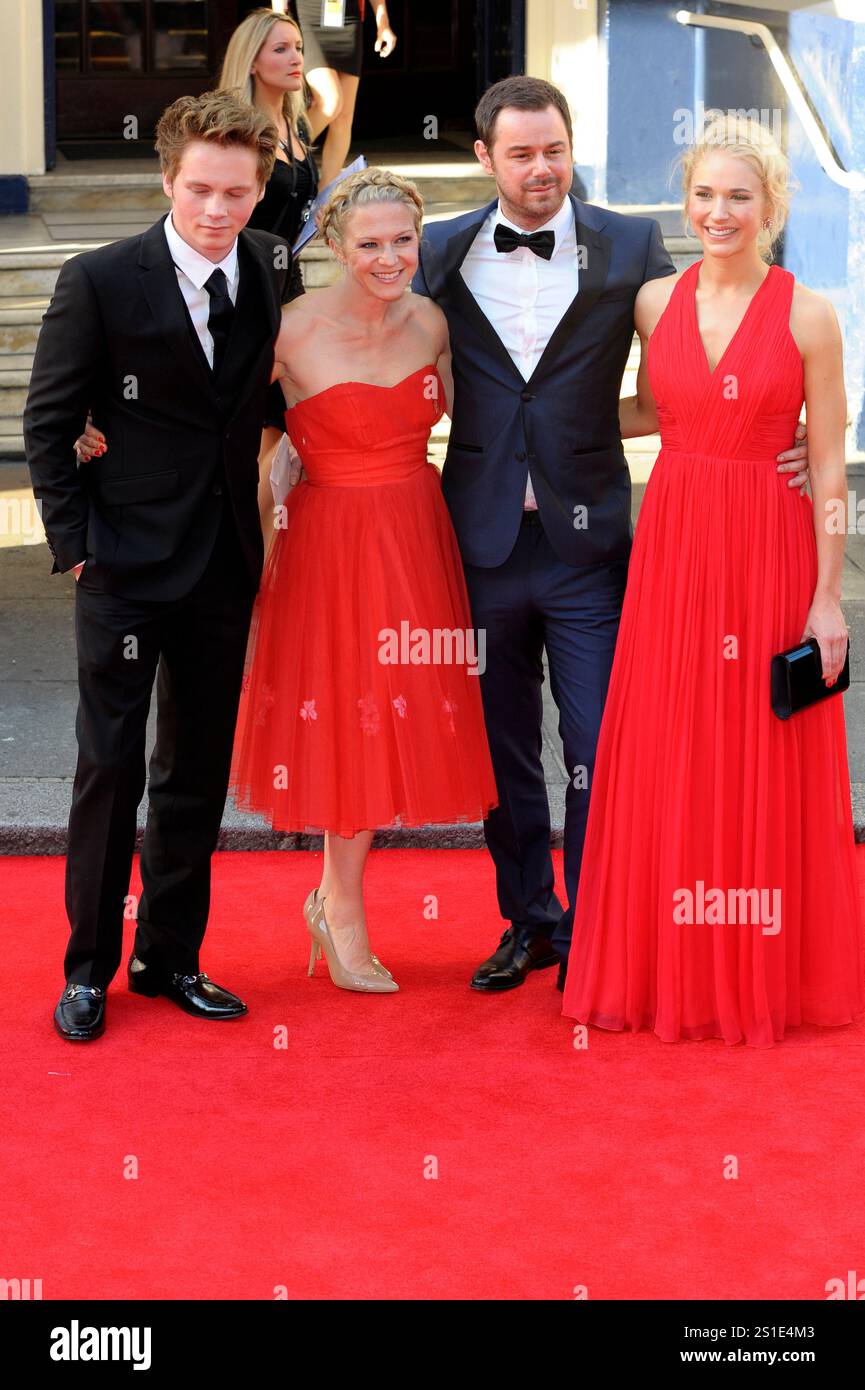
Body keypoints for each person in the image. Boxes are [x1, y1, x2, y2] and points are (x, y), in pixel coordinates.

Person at [412, 76, 811, 995]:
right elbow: (384, 344)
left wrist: (777, 425)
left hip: (587, 547)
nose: (541, 167)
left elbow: (706, 343)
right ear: (484, 158)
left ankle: (596, 928)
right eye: (520, 153)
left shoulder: (629, 244)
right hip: (475, 544)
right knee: (500, 749)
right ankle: (529, 922)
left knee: (598, 745)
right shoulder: (435, 251)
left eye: (553, 148)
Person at [562, 116, 865, 1046]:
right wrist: (543, 429)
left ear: (771, 207)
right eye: (704, 194)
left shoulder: (808, 313)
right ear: (685, 203)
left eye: (739, 196)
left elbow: (825, 469)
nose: (719, 211)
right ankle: (668, 965)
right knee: (670, 742)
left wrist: (826, 599)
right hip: (675, 544)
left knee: (761, 749)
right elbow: (650, 408)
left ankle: (759, 967)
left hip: (769, 554)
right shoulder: (654, 302)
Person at [24, 92, 294, 1041]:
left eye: (237, 192)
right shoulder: (98, 279)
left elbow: (274, 404)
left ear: (260, 193)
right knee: (110, 768)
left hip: (224, 561)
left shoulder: (267, 268)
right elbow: (51, 424)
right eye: (200, 190)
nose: (217, 210)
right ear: (168, 180)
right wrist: (77, 548)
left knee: (196, 770)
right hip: (125, 567)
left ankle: (171, 956)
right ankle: (88, 969)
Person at [227, 167, 498, 993]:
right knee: (347, 717)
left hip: (414, 537)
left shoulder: (432, 324)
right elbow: (233, 439)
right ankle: (340, 910)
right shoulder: (286, 331)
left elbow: (499, 426)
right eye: (370, 244)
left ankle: (334, 898)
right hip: (325, 548)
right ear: (336, 248)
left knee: (392, 718)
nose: (389, 258)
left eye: (403, 241)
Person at [293, 0, 397, 188]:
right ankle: (283, 155)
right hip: (311, 16)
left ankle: (325, 196)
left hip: (347, 18)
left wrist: (383, 24)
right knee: (330, 101)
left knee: (343, 118)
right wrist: (279, 17)